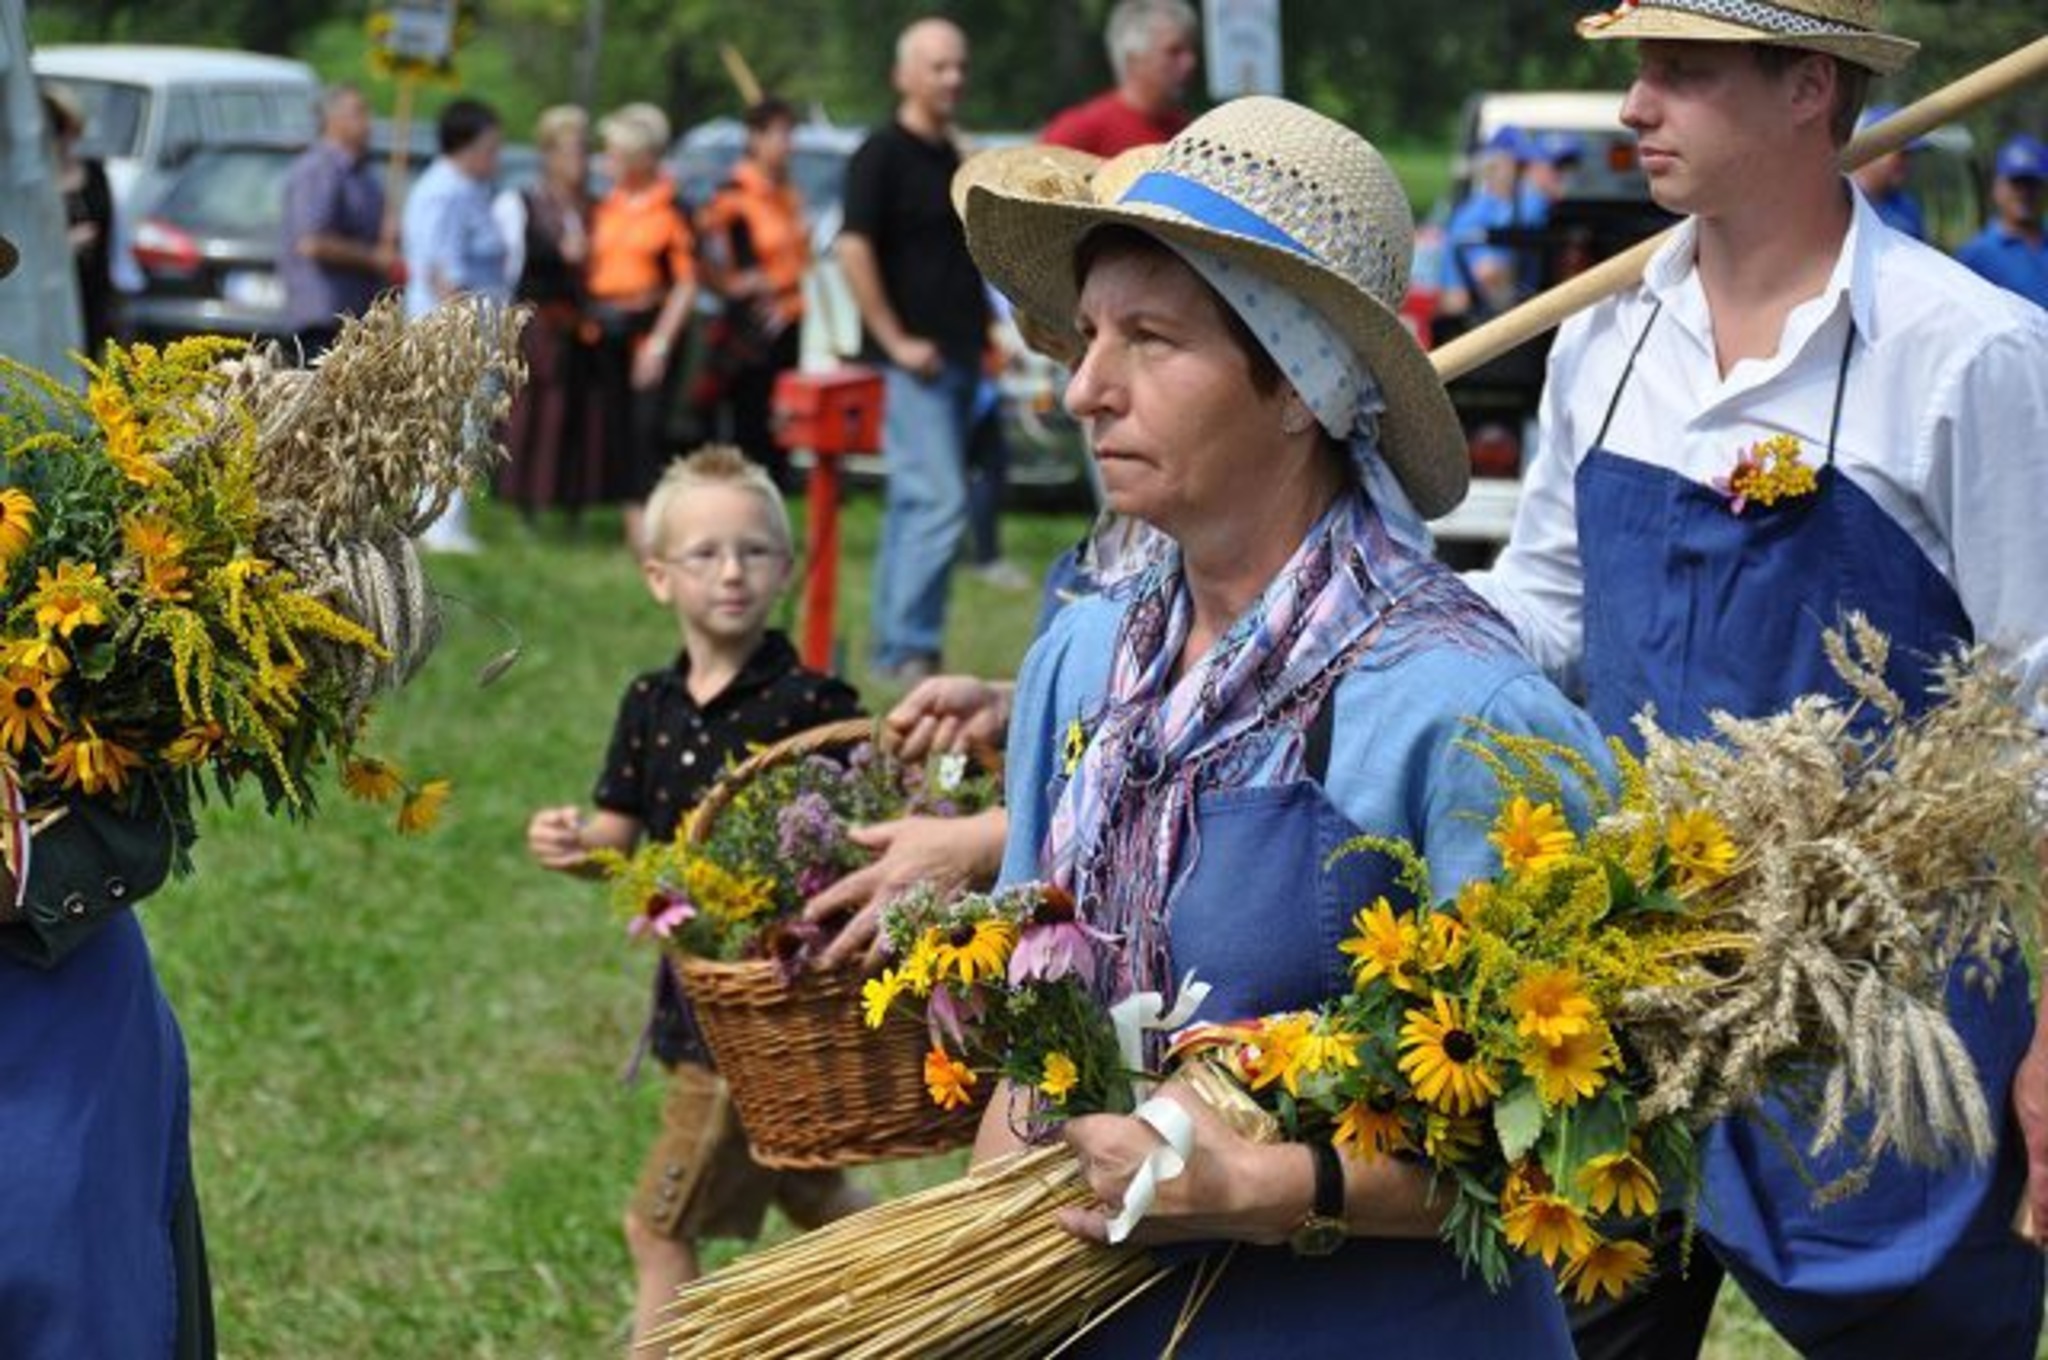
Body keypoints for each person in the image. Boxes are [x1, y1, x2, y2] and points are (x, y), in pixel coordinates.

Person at [953, 97, 1613, 1356]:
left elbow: (1574, 1152)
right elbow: (1028, 1041)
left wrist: (1273, 1188)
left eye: (1149, 338)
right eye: (1089, 336)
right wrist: (972, 1275)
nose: (1085, 389)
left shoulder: (1463, 713)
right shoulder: (1081, 663)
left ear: (1297, 385)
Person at [1470, 4, 2048, 1356]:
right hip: (1628, 1003)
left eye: (1682, 73)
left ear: (1808, 88)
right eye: (1638, 70)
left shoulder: (1966, 355)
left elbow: (2042, 705)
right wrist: (1361, 614)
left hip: (1885, 1040)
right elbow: (1545, 612)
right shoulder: (1604, 341)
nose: (1634, 106)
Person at [523, 446, 869, 1353]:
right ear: (657, 576)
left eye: (755, 552)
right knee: (805, 1186)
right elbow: (619, 840)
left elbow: (850, 844)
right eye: (706, 553)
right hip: (689, 1002)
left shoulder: (811, 706)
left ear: (786, 570)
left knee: (658, 1228)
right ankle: (927, 1297)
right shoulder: (651, 704)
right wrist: (574, 849)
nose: (731, 572)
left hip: (763, 1015)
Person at [0, 233, 214, 1360]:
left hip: (41, 1030)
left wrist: (25, 869)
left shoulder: (65, 506)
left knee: (75, 1293)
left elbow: (144, 784)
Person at [840, 17, 989, 683]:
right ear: (903, 75)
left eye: (958, 66)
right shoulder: (881, 153)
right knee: (938, 501)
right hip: (912, 361)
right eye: (938, 67)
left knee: (913, 503)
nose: (952, 78)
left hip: (957, 354)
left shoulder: (954, 156)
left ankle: (893, 647)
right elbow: (852, 247)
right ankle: (909, 648)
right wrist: (896, 341)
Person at [588, 102, 697, 554]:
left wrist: (659, 343)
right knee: (617, 432)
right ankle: (634, 529)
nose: (605, 161)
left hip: (648, 333)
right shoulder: (607, 206)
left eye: (613, 152)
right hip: (605, 331)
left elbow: (687, 284)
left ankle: (654, 532)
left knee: (647, 430)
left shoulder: (671, 207)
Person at [402, 97, 508, 555]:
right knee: (451, 423)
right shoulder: (444, 192)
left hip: (475, 325)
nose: (495, 157)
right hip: (455, 330)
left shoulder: (466, 189)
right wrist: (463, 337)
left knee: (465, 425)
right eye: (490, 147)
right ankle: (440, 526)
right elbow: (442, 269)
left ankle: (449, 519)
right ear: (465, 146)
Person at [493, 104, 601, 521]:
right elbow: (508, 270)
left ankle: (573, 504)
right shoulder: (522, 203)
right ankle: (525, 503)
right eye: (571, 152)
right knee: (534, 412)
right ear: (550, 156)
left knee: (579, 413)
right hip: (537, 321)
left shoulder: (594, 207)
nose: (579, 162)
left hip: (582, 322)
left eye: (583, 152)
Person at [695, 97, 809, 490]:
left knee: (782, 422)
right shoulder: (733, 195)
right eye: (780, 135)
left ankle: (771, 498)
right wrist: (728, 283)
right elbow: (701, 249)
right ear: (755, 139)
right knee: (751, 423)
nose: (788, 145)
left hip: (792, 319)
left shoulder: (787, 193)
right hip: (754, 327)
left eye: (790, 136)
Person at [280, 83, 395, 362]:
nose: (369, 123)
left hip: (354, 319)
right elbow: (312, 243)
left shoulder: (361, 172)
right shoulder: (319, 168)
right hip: (322, 319)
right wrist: (371, 258)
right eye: (360, 113)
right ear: (334, 120)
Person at [1042, 0, 1199, 156]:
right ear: (1133, 59)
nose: (1190, 62)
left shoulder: (1191, 135)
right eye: (1174, 51)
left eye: (1191, 50)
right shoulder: (1077, 132)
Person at [41, 84, 116, 354]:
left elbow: (111, 235)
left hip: (91, 293)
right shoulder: (33, 184)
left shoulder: (94, 173)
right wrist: (64, 244)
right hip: (48, 297)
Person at [1437, 125, 1529, 318]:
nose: (1522, 173)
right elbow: (1487, 274)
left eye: (1524, 165)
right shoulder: (1474, 214)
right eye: (1517, 165)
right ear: (1492, 168)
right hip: (1479, 317)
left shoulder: (1516, 207)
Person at [1957, 134, 2048, 309]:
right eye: (2016, 184)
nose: (2024, 193)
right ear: (1997, 188)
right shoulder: (1976, 256)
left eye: (2032, 184)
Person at [1849, 102, 1927, 241]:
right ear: (1870, 150)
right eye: (1902, 154)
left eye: (1910, 156)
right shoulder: (1835, 201)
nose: (1907, 164)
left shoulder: (1908, 209)